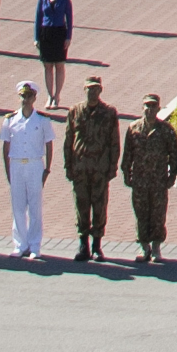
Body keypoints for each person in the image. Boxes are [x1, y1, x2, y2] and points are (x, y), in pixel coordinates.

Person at [64, 75, 122, 261]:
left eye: (96, 89)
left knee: (99, 206)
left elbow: (114, 142)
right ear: (84, 89)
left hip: (100, 168)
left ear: (100, 91)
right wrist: (68, 165)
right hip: (80, 168)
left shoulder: (109, 113)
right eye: (89, 88)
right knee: (81, 206)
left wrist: (112, 167)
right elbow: (68, 140)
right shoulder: (75, 111)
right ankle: (83, 245)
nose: (92, 92)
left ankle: (97, 245)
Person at [0, 83, 55, 261]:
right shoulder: (10, 120)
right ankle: (19, 244)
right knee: (17, 206)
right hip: (16, 164)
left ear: (35, 98)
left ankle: (34, 245)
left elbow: (49, 143)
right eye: (23, 96)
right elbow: (6, 145)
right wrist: (8, 169)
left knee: (35, 206)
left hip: (34, 164)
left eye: (29, 96)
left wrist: (47, 168)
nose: (26, 100)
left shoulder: (42, 120)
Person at [123, 95, 177, 262]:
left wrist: (172, 176)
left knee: (158, 214)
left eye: (153, 106)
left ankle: (156, 247)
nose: (150, 109)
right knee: (141, 213)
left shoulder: (166, 130)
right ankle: (144, 247)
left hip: (158, 181)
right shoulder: (134, 128)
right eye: (147, 106)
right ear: (142, 108)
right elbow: (128, 154)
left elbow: (174, 155)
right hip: (140, 181)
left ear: (158, 109)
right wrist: (127, 173)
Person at [35, 0, 74, 89]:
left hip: (59, 33)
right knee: (47, 66)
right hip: (46, 34)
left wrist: (68, 37)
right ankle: (50, 95)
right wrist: (36, 38)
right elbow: (38, 19)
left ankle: (57, 95)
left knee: (59, 65)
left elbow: (69, 18)